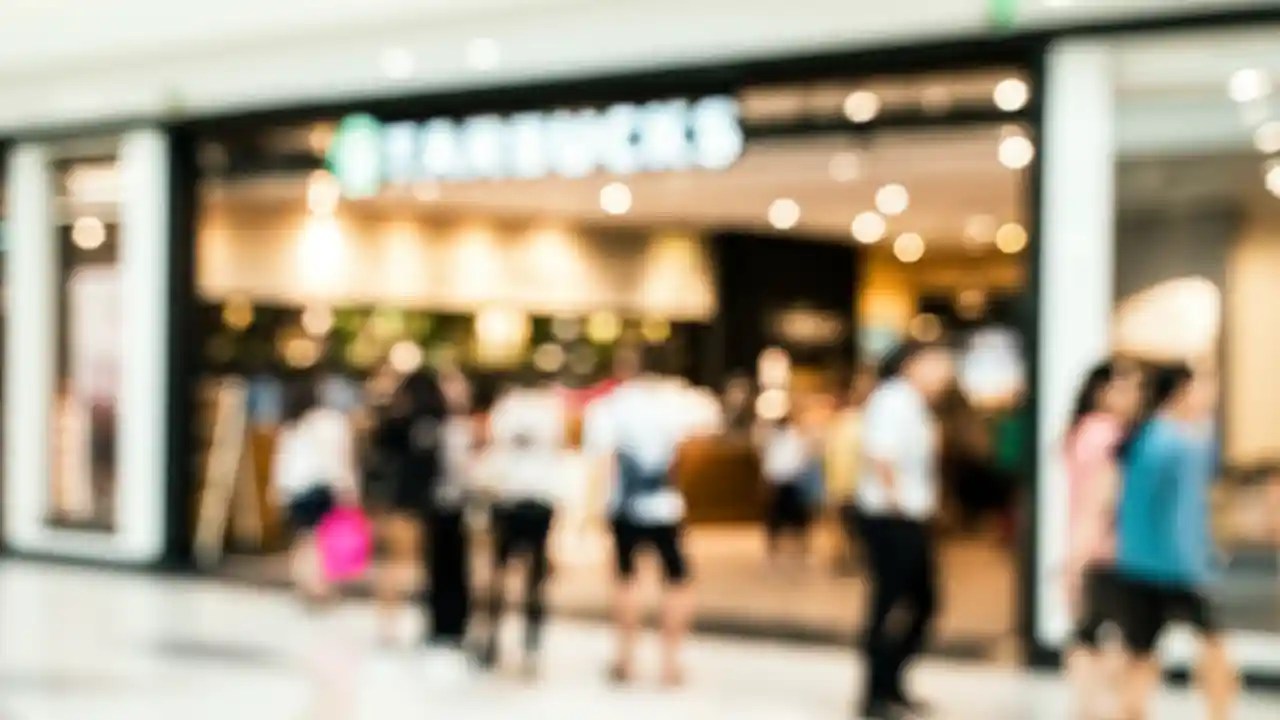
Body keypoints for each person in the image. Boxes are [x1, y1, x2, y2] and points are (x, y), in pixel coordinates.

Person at [583, 346, 717, 687]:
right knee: (676, 580)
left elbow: (601, 459)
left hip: (625, 505)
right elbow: (707, 428)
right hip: (664, 503)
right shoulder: (678, 401)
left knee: (626, 579)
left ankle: (625, 659)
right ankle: (670, 663)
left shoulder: (613, 405)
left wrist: (593, 507)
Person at [1113, 364, 1238, 720]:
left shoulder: (1141, 437)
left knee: (1140, 654)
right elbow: (1186, 514)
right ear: (1181, 391)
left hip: (1134, 560)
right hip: (1178, 566)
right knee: (1214, 646)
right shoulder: (1184, 446)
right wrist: (1201, 565)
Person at [855, 342, 953, 720]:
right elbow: (882, 456)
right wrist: (900, 506)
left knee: (921, 601)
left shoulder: (914, 403)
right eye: (938, 364)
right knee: (891, 602)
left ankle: (891, 682)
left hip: (908, 516)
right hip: (891, 518)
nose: (944, 373)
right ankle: (876, 690)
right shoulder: (892, 399)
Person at [1061, 360, 1142, 718]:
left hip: (1090, 546)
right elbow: (1101, 499)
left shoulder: (1084, 430)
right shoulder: (1107, 435)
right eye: (1125, 387)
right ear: (1102, 391)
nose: (1135, 396)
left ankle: (1088, 709)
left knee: (1089, 634)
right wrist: (1080, 554)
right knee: (1113, 639)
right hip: (1106, 550)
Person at [477, 370, 568, 676]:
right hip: (539, 498)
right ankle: (531, 646)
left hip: (509, 497)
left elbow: (492, 450)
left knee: (499, 571)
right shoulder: (551, 410)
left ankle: (491, 639)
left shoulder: (506, 409)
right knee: (535, 577)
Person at [271, 376, 360, 605]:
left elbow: (282, 460)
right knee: (320, 541)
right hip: (321, 486)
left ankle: (305, 584)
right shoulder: (331, 420)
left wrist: (278, 491)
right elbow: (339, 458)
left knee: (303, 539)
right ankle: (319, 587)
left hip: (295, 488)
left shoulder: (293, 423)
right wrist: (347, 488)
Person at [756, 410, 821, 569]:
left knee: (778, 517)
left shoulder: (773, 438)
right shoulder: (795, 437)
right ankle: (799, 548)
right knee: (795, 517)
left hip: (780, 481)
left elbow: (766, 460)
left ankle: (776, 547)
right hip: (790, 480)